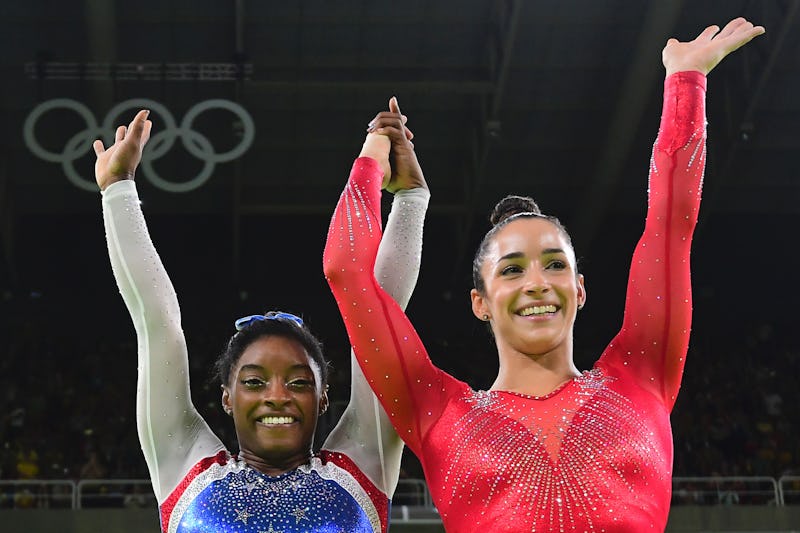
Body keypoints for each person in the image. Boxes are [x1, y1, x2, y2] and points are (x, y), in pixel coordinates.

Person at [324, 18, 764, 532]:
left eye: (555, 264)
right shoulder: (437, 411)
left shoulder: (641, 372)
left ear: (579, 289)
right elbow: (345, 271)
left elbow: (671, 227)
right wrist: (375, 152)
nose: (536, 281)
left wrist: (686, 81)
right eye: (511, 270)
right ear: (480, 301)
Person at [93, 97, 429, 532]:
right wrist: (117, 189)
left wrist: (411, 199)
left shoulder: (362, 466)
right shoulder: (186, 470)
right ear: (226, 397)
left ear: (323, 398)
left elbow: (382, 314)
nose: (277, 395)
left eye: (298, 382)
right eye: (253, 381)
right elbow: (157, 324)